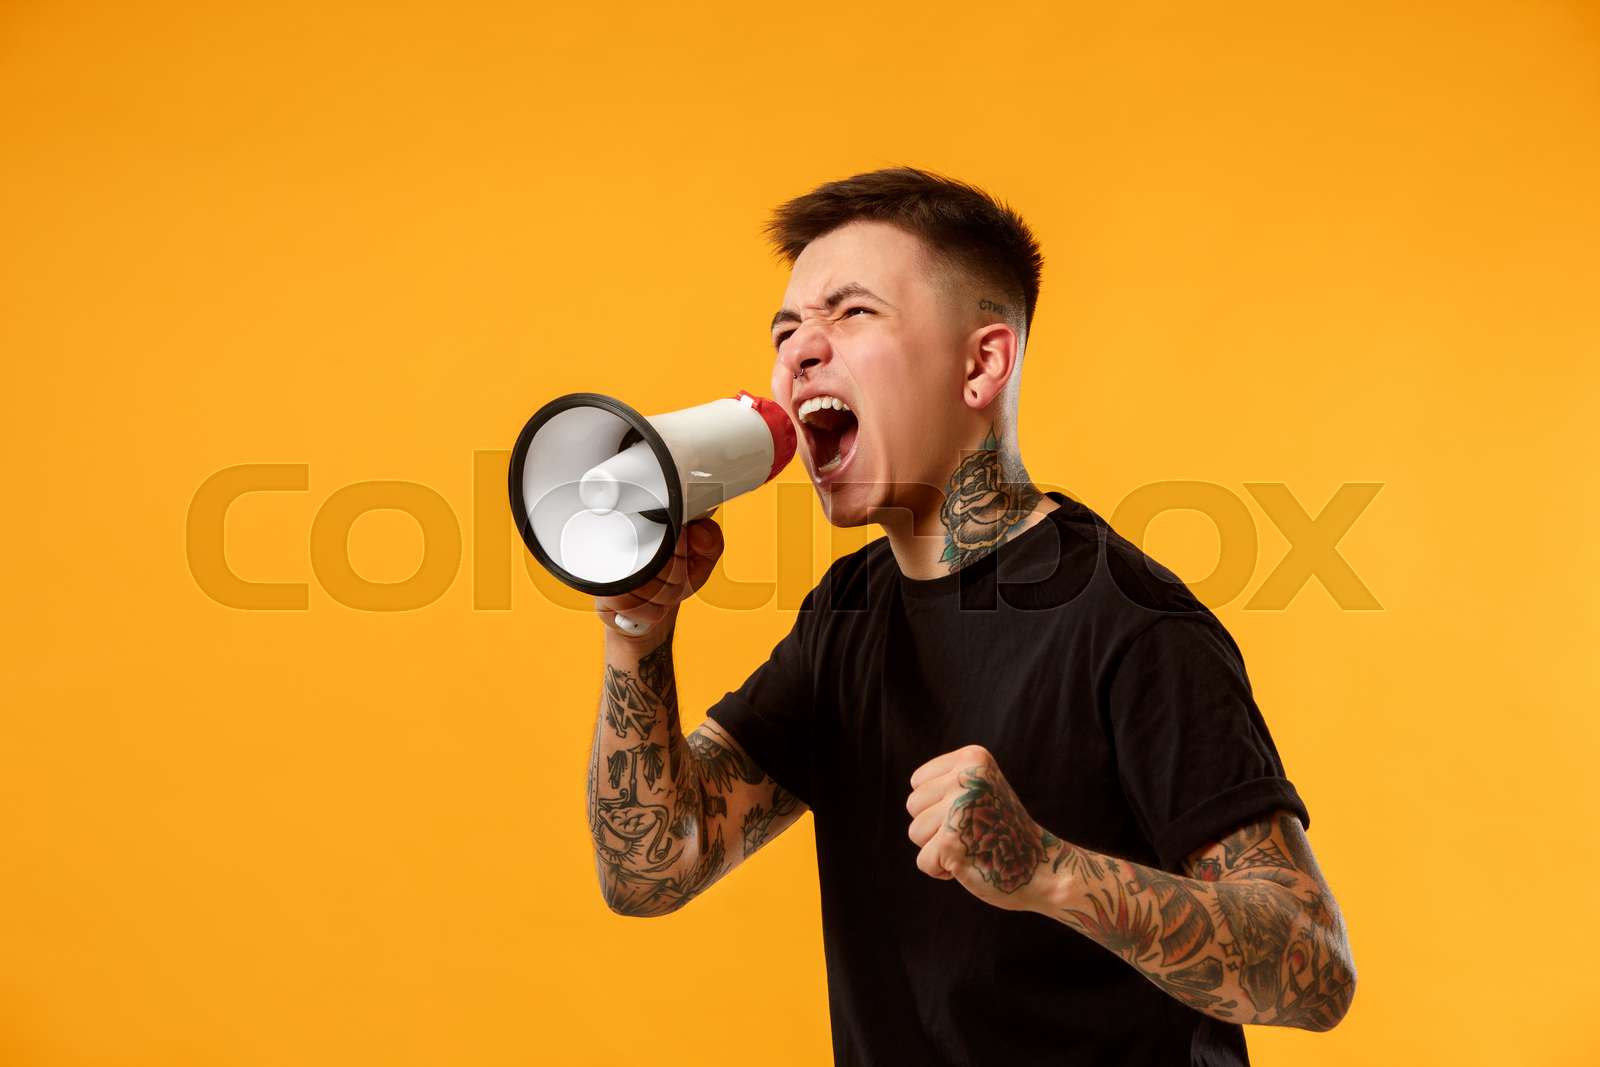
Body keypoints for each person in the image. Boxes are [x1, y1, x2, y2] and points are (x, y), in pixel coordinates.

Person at [584, 167, 1356, 1065]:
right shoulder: (848, 612)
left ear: (982, 363)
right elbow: (654, 867)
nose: (798, 353)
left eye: (852, 312)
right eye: (785, 330)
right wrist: (638, 634)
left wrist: (1048, 870)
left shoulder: (1130, 622)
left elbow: (1314, 965)